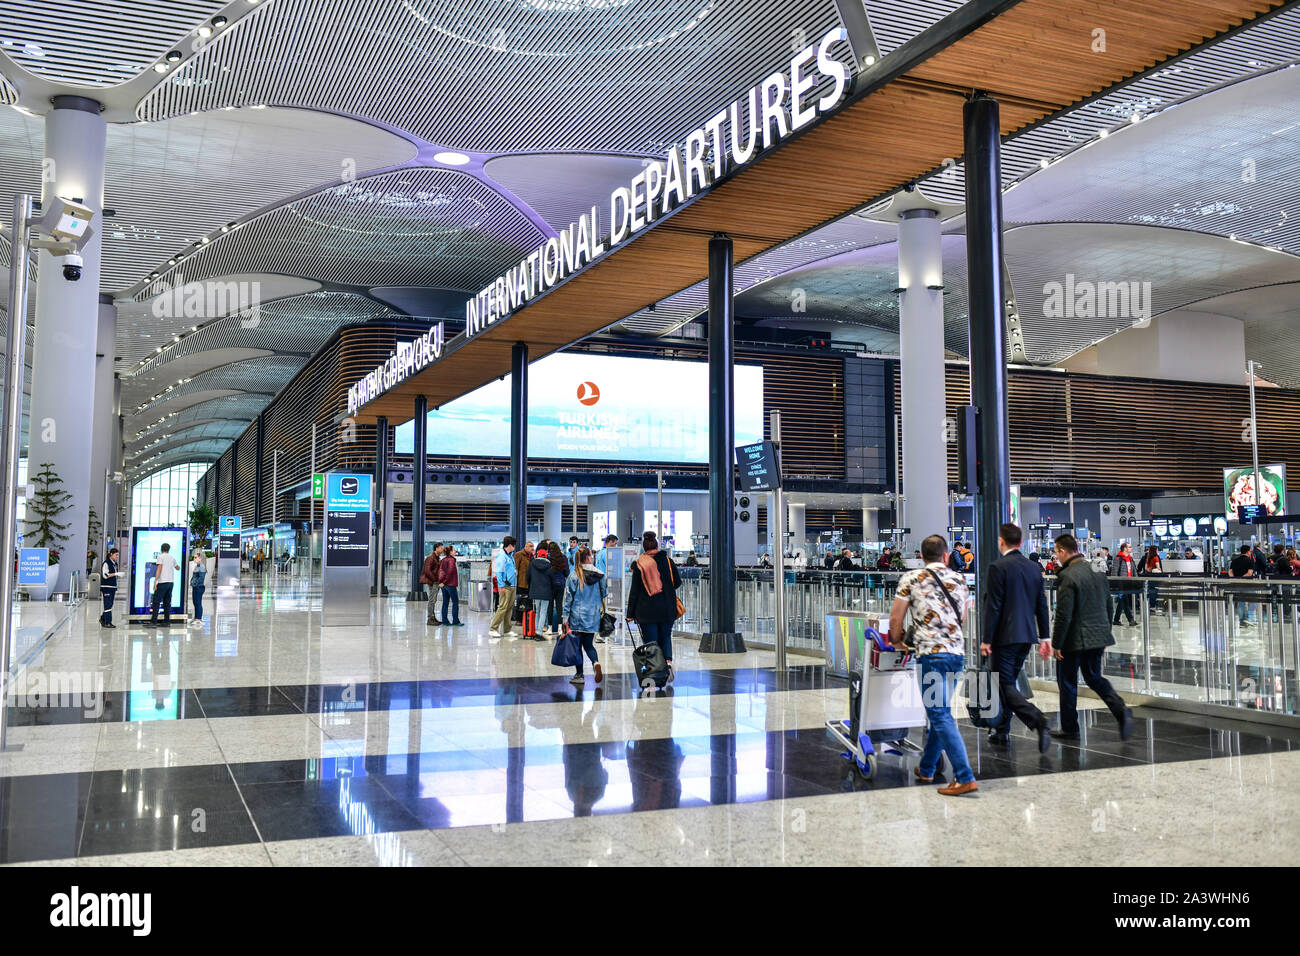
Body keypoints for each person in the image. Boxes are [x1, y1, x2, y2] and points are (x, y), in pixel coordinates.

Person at [888, 534, 976, 796]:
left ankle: (964, 776)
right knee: (942, 711)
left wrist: (897, 642)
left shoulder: (911, 578)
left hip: (931, 654)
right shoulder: (960, 579)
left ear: (921, 557)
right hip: (956, 653)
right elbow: (963, 616)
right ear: (946, 555)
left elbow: (896, 618)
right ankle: (927, 768)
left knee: (938, 713)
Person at [1049, 534, 1134, 741]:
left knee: (1067, 682)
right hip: (1097, 635)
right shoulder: (1096, 570)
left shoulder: (1067, 575)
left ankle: (1070, 728)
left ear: (1062, 550)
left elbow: (1064, 614)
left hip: (1073, 639)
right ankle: (1120, 709)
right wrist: (1106, 633)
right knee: (1094, 677)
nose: (1056, 557)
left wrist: (1056, 643)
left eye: (1056, 552)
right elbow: (1108, 603)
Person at [980, 522, 1052, 752]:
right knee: (1007, 684)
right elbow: (1042, 605)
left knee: (1005, 684)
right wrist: (1045, 637)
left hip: (1004, 637)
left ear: (1001, 541)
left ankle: (1037, 719)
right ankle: (1002, 731)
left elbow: (994, 606)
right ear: (1021, 542)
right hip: (1026, 636)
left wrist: (986, 639)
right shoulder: (1033, 568)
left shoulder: (997, 567)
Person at [626, 530, 681, 681]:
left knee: (651, 642)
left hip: (647, 611)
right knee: (665, 637)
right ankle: (668, 664)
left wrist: (630, 613)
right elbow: (677, 582)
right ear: (656, 545)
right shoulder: (668, 561)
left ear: (644, 547)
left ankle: (656, 670)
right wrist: (666, 590)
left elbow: (635, 591)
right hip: (667, 608)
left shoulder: (639, 565)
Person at [561, 546, 607, 685]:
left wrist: (565, 618)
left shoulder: (574, 575)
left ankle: (579, 675)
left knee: (577, 646)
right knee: (589, 645)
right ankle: (595, 662)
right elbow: (604, 593)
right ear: (588, 558)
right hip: (593, 616)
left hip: (577, 616)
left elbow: (568, 598)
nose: (593, 558)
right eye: (591, 556)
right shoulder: (600, 575)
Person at [489, 536, 518, 638]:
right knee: (502, 607)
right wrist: (501, 586)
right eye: (514, 545)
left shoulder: (510, 556)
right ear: (510, 545)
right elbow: (499, 572)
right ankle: (493, 628)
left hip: (513, 585)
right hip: (505, 586)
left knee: (509, 608)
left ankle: (507, 630)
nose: (515, 547)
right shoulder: (501, 556)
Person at [147, 542, 180, 627]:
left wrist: (155, 581)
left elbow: (159, 569)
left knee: (156, 602)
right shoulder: (172, 557)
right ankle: (167, 621)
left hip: (162, 582)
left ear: (161, 549)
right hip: (170, 583)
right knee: (167, 602)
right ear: (168, 549)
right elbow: (178, 568)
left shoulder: (160, 557)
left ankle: (154, 621)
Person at [527, 544, 555, 638]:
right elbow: (552, 579)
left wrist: (531, 586)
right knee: (543, 612)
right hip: (546, 591)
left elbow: (528, 577)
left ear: (537, 555)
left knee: (537, 611)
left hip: (535, 591)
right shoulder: (550, 566)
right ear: (546, 555)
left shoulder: (532, 564)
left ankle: (535, 631)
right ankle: (539, 632)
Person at [1229, 543, 1256, 628]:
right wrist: (1243, 578)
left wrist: (1235, 579)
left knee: (1241, 602)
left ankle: (1241, 621)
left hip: (1237, 584)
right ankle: (1249, 618)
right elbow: (1249, 573)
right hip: (1247, 584)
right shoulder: (1250, 561)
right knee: (1253, 601)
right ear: (1248, 552)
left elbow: (1230, 572)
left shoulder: (1234, 560)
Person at [1111, 542, 1138, 626]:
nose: (1131, 548)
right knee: (1124, 600)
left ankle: (1116, 619)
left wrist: (1136, 580)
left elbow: (1134, 571)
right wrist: (1115, 583)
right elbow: (1114, 572)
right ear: (1125, 548)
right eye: (1129, 547)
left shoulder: (1130, 559)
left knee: (1122, 601)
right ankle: (1130, 620)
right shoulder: (1118, 559)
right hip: (1121, 584)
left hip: (1129, 583)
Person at [437, 545, 463, 626]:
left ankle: (445, 621)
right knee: (455, 602)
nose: (455, 551)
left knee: (445, 602)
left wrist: (441, 582)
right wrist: (445, 582)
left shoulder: (443, 560)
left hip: (443, 585)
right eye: (454, 550)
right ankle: (455, 621)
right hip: (450, 584)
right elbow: (450, 572)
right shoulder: (451, 560)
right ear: (450, 552)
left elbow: (440, 571)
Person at [420, 544, 443, 624]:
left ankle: (433, 618)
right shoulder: (430, 557)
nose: (442, 549)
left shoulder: (437, 558)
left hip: (436, 582)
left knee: (434, 600)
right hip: (433, 582)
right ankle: (430, 619)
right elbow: (427, 570)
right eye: (441, 548)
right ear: (436, 548)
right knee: (432, 600)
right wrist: (434, 580)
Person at [100, 546, 121, 628]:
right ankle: (107, 622)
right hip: (106, 587)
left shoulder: (114, 564)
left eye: (118, 555)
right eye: (116, 555)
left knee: (110, 604)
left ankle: (103, 619)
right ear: (111, 554)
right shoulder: (106, 563)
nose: (117, 557)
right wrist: (115, 574)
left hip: (112, 587)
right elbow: (105, 575)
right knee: (107, 605)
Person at [188, 550, 207, 629]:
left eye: (196, 557)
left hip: (199, 587)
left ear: (200, 558)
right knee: (195, 602)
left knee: (198, 602)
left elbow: (201, 578)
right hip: (196, 587)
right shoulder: (198, 566)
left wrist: (195, 583)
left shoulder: (202, 567)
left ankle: (199, 618)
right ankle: (196, 617)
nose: (194, 559)